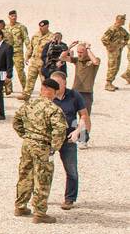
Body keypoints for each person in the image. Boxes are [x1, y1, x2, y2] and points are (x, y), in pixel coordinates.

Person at [12, 79, 68, 224]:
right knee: (43, 179)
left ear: (43, 89)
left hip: (28, 144)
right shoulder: (53, 109)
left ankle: (20, 206)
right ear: (54, 92)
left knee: (25, 174)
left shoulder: (29, 104)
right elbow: (60, 130)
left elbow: (16, 121)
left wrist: (25, 135)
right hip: (43, 146)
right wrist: (54, 147)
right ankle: (40, 213)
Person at [48, 69, 87, 210]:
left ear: (64, 83)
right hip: (50, 140)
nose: (55, 86)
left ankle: (69, 199)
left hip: (68, 139)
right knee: (44, 169)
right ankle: (41, 196)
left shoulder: (74, 95)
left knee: (71, 171)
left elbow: (83, 116)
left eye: (58, 83)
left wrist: (78, 131)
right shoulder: (47, 96)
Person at [70, 41, 99, 147]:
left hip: (86, 92)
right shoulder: (77, 60)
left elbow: (95, 61)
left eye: (81, 52)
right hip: (75, 91)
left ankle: (84, 139)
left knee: (85, 116)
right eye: (78, 52)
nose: (79, 54)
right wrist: (69, 47)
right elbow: (63, 57)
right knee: (72, 115)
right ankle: (74, 135)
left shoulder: (93, 61)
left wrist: (88, 49)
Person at [21, 19, 56, 98]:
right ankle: (26, 94)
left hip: (43, 63)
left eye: (42, 27)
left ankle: (43, 96)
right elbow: (31, 47)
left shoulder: (51, 37)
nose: (40, 28)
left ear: (47, 26)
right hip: (34, 61)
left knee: (44, 80)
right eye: (40, 27)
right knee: (30, 78)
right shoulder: (36, 35)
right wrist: (27, 57)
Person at [3, 10, 28, 96]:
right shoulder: (5, 27)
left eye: (15, 16)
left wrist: (29, 51)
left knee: (20, 71)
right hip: (7, 52)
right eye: (12, 16)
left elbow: (26, 39)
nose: (14, 17)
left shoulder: (21, 27)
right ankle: (7, 88)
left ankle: (25, 89)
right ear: (9, 17)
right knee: (5, 70)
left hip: (17, 52)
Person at [100, 14, 128, 90]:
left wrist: (123, 44)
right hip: (112, 52)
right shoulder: (112, 29)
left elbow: (127, 37)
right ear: (119, 20)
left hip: (118, 51)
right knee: (112, 67)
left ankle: (111, 83)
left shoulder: (121, 30)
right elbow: (104, 39)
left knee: (116, 67)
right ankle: (108, 84)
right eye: (123, 20)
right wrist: (110, 47)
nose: (124, 21)